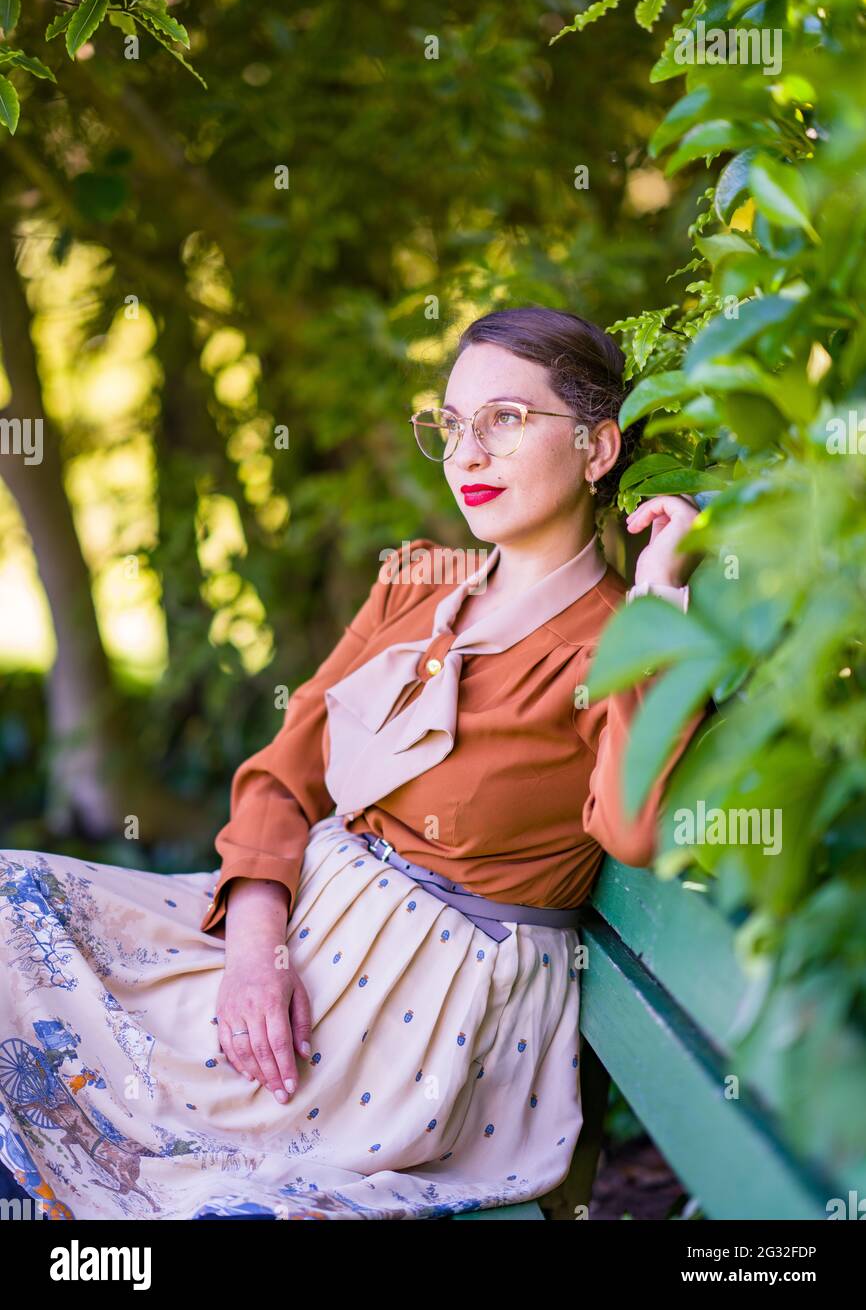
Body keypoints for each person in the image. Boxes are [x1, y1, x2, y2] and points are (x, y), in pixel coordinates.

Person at [0, 306, 708, 1221]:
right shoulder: (416, 583)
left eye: (506, 419)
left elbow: (638, 828)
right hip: (280, 946)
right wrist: (256, 949)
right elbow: (282, 770)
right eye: (452, 427)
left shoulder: (614, 643)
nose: (468, 454)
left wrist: (658, 610)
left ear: (597, 446)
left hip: (403, 1028)